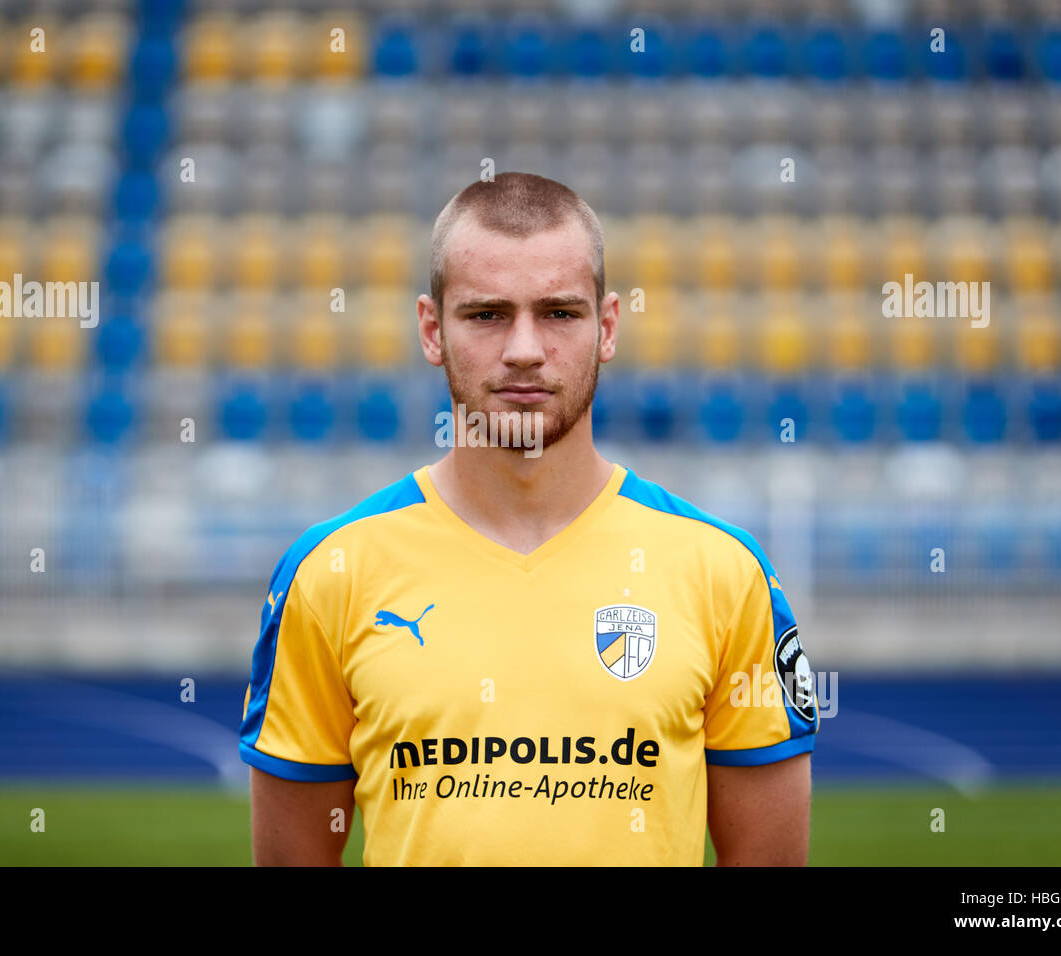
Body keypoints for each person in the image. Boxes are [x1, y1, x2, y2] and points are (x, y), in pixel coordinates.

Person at [240, 172, 818, 865]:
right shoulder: (330, 572)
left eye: (559, 314)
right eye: (487, 315)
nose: (523, 349)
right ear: (432, 330)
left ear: (606, 328)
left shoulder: (724, 571)